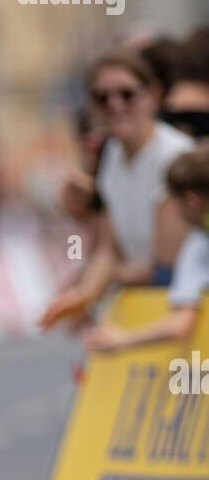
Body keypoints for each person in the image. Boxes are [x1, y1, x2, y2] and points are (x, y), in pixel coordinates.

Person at [41, 49, 193, 331]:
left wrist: (94, 287)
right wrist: (82, 293)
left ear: (153, 95)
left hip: (184, 309)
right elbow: (108, 249)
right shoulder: (111, 154)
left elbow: (163, 266)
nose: (115, 105)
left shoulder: (175, 157)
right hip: (142, 308)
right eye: (102, 97)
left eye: (127, 94)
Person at [85, 141, 209, 354]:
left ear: (192, 201)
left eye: (174, 205)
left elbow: (181, 324)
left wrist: (122, 340)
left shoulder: (199, 245)